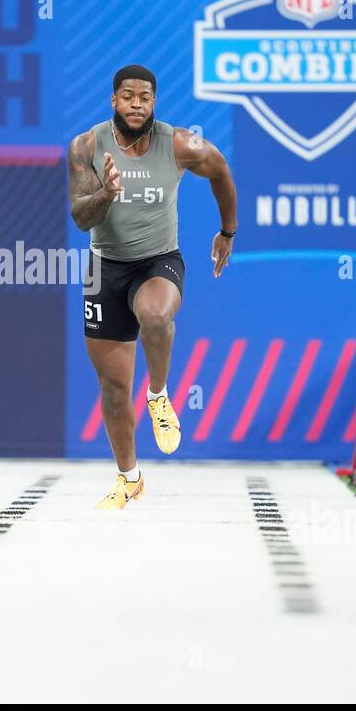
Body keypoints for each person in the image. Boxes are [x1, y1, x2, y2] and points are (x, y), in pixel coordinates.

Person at [68, 64, 238, 509]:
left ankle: (158, 395)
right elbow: (81, 216)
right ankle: (129, 479)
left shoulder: (180, 143)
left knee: (156, 314)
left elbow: (220, 170)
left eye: (145, 97)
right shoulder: (87, 145)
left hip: (158, 261)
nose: (136, 104)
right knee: (113, 389)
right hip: (104, 268)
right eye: (128, 96)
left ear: (154, 102)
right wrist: (106, 195)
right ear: (114, 100)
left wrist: (228, 231)